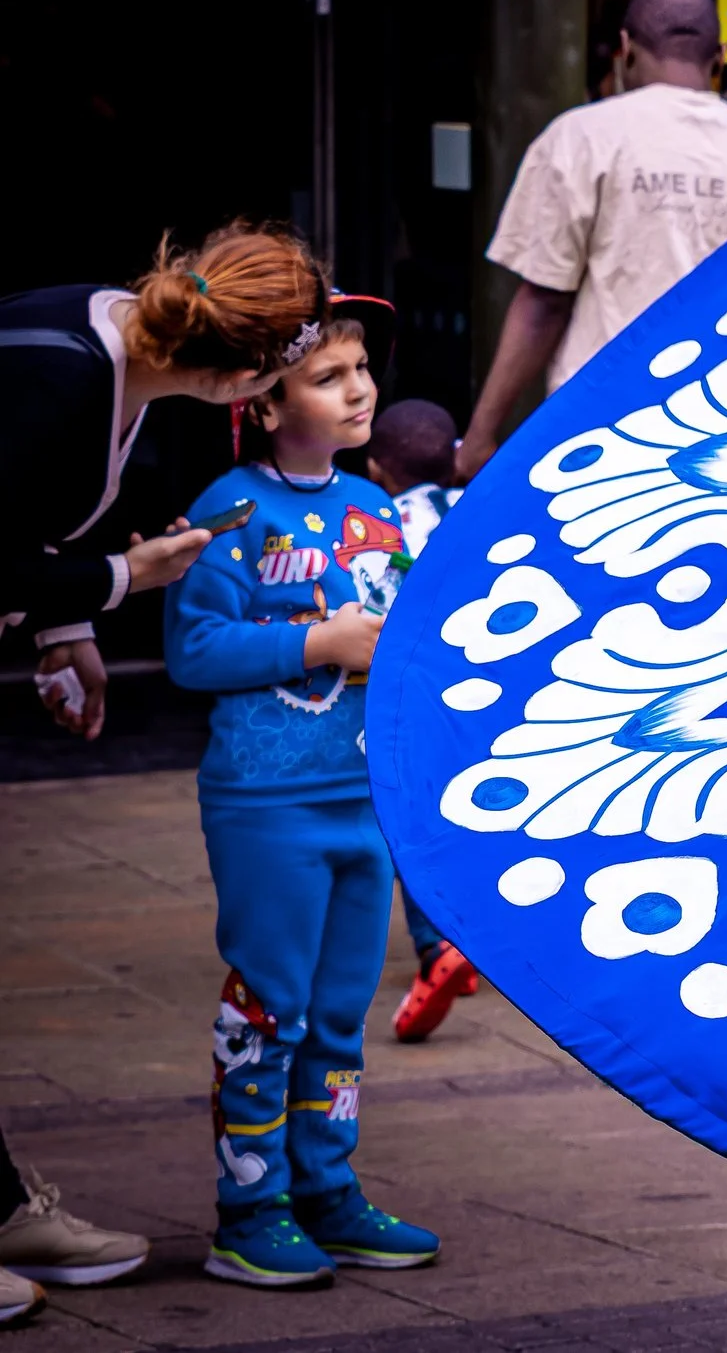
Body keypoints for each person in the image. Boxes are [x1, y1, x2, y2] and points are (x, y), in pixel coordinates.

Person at [0, 224, 329, 1319]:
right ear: (241, 378)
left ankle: (5, 1206)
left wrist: (59, 633)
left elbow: (15, 524)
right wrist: (118, 578)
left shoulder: (112, 332)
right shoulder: (60, 378)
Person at [165, 299, 442, 1286]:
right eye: (329, 375)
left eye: (361, 366)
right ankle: (250, 1208)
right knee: (269, 1002)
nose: (358, 387)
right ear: (267, 401)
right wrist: (314, 641)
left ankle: (327, 1190)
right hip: (266, 801)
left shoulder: (376, 507)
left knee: (338, 1008)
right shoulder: (229, 509)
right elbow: (191, 650)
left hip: (362, 795)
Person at [455, 0, 727, 480]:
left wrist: (480, 439)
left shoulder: (584, 137)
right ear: (719, 58)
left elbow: (543, 303)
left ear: (625, 49)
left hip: (603, 428)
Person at [361, 399, 479, 1042]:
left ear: (378, 468)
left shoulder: (381, 525)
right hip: (492, 686)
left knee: (411, 814)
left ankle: (438, 945)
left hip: (419, 693)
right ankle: (487, 933)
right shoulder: (479, 506)